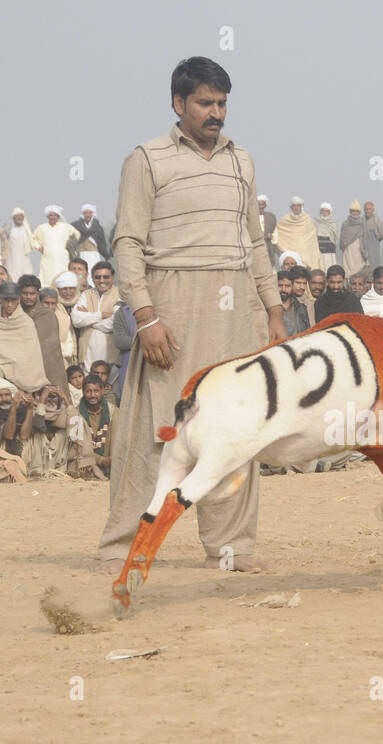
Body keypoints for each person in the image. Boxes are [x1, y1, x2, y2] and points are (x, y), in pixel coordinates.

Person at [100, 56, 284, 572]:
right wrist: (146, 316)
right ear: (178, 104)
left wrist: (272, 309)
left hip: (236, 305)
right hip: (171, 303)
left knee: (236, 427)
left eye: (222, 103)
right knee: (155, 430)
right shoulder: (147, 158)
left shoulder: (240, 161)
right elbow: (129, 241)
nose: (216, 112)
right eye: (205, 102)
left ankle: (230, 547)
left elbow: (255, 241)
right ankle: (124, 546)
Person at [0, 281, 49, 395]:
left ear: (19, 300)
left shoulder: (26, 323)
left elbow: (31, 357)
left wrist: (12, 368)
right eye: (6, 300)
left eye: (13, 300)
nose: (10, 304)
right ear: (0, 299)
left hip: (21, 376)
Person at [31, 206, 78, 287]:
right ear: (48, 217)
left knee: (63, 279)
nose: (53, 217)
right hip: (47, 258)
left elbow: (76, 234)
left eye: (55, 215)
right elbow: (33, 239)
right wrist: (38, 247)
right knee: (46, 280)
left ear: (58, 217)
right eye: (51, 215)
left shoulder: (65, 227)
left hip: (62, 258)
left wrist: (70, 243)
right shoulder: (42, 227)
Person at [72, 204, 109, 269]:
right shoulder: (75, 226)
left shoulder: (98, 227)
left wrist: (106, 255)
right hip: (81, 254)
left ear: (93, 214)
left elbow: (102, 243)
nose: (88, 215)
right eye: (85, 213)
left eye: (90, 213)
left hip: (94, 255)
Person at [6, 208, 35, 278]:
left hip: (25, 259)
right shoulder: (8, 228)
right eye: (17, 216)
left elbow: (35, 241)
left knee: (26, 279)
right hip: (12, 260)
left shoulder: (28, 229)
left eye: (21, 216)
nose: (19, 217)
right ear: (13, 218)